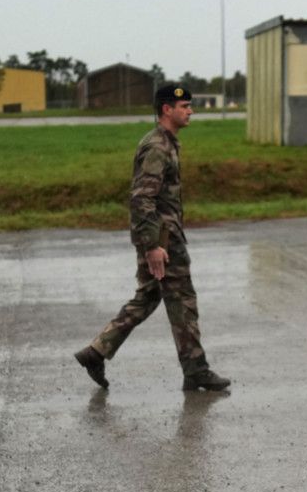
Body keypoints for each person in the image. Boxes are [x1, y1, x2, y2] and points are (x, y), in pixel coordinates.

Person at [74, 83, 229, 391]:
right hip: (163, 239)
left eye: (189, 106)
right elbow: (142, 199)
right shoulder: (157, 147)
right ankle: (196, 369)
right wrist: (153, 246)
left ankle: (96, 352)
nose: (190, 111)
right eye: (183, 106)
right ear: (166, 109)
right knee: (183, 300)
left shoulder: (166, 142)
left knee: (147, 297)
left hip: (161, 236)